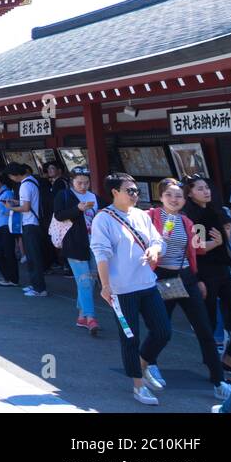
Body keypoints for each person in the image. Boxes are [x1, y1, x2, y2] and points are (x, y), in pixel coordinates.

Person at [146, 179, 231, 399]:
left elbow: (196, 249)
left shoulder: (186, 221)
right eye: (169, 195)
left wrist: (217, 242)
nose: (174, 199)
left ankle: (219, 380)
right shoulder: (150, 217)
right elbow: (147, 243)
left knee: (204, 329)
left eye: (179, 196)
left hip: (186, 277)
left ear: (185, 200)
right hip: (164, 277)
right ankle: (149, 363)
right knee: (161, 329)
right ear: (161, 196)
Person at [90, 172, 171, 406]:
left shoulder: (141, 215)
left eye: (136, 190)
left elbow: (157, 240)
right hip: (121, 288)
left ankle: (143, 365)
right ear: (115, 192)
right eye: (130, 190)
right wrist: (105, 286)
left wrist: (155, 250)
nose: (135, 194)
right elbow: (101, 254)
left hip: (147, 283)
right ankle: (138, 385)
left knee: (163, 331)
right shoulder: (103, 219)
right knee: (130, 337)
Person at [181, 175, 231, 377]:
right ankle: (214, 368)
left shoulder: (217, 211)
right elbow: (198, 248)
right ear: (190, 193)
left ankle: (230, 358)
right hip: (204, 274)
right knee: (207, 322)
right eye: (199, 189)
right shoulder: (192, 216)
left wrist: (226, 236)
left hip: (225, 270)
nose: (206, 191)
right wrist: (216, 244)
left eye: (207, 188)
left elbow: (230, 238)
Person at [53, 166, 100, 334]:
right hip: (74, 243)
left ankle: (81, 315)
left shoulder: (94, 197)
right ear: (71, 182)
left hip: (94, 244)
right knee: (85, 280)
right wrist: (77, 209)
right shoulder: (63, 195)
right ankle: (90, 317)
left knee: (91, 280)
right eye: (79, 182)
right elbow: (58, 215)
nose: (83, 186)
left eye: (86, 183)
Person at [4, 163, 46, 297]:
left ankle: (39, 288)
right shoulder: (33, 180)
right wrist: (17, 202)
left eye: (10, 176)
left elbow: (26, 208)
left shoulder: (24, 185)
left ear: (15, 175)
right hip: (36, 222)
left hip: (30, 224)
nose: (11, 178)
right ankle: (35, 284)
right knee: (34, 256)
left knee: (33, 257)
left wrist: (10, 207)